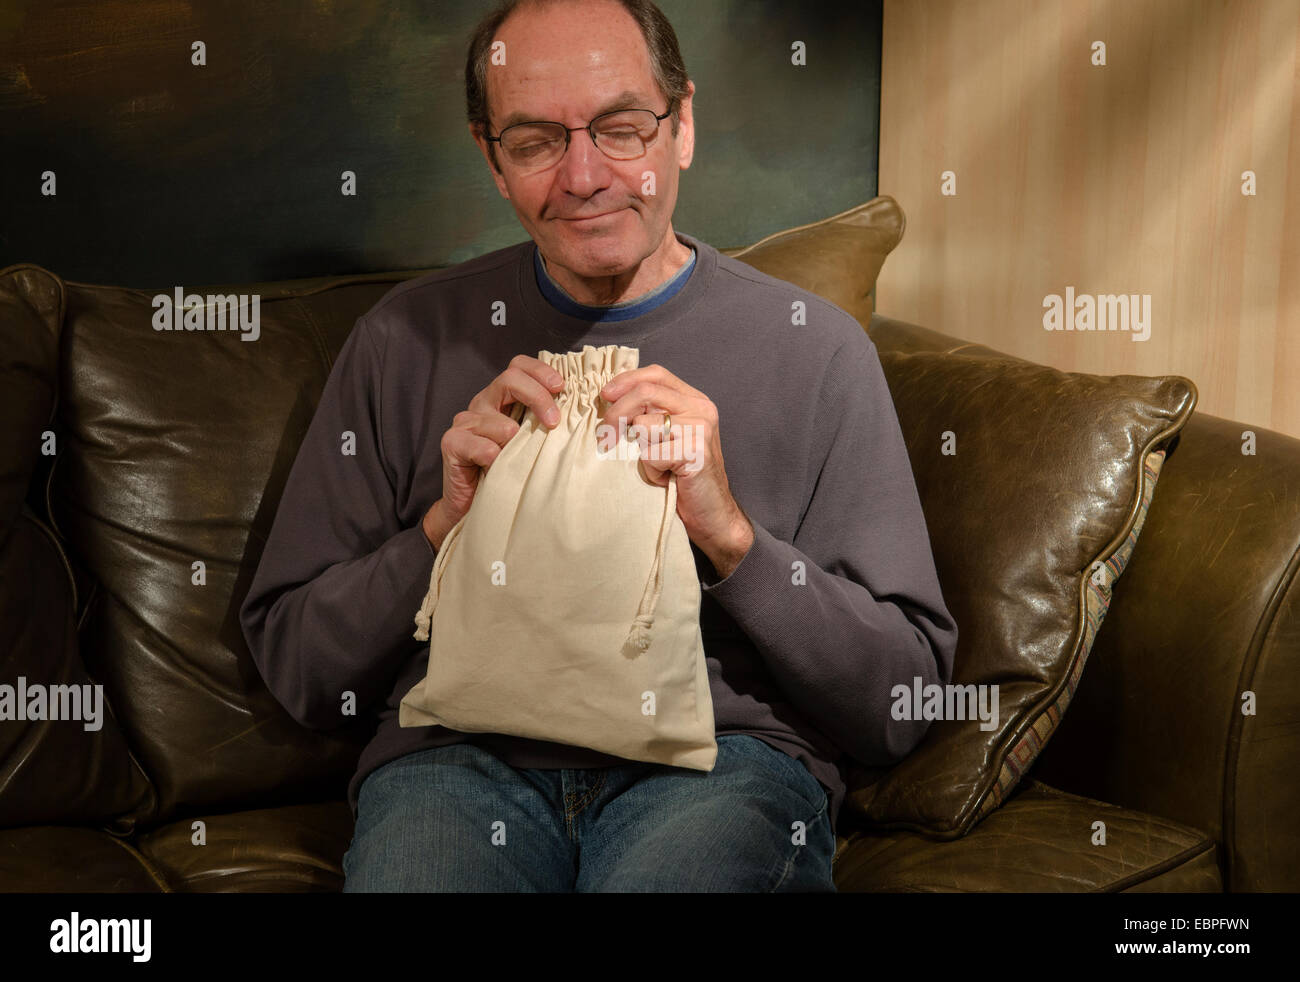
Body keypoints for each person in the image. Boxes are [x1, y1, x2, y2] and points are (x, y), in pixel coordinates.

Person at [239, 0, 957, 893]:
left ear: (683, 125)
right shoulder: (403, 343)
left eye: (621, 129)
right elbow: (301, 672)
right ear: (491, 159)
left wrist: (733, 538)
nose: (584, 176)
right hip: (456, 764)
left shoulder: (814, 349)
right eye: (536, 141)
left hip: (720, 769)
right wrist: (440, 529)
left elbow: (902, 702)